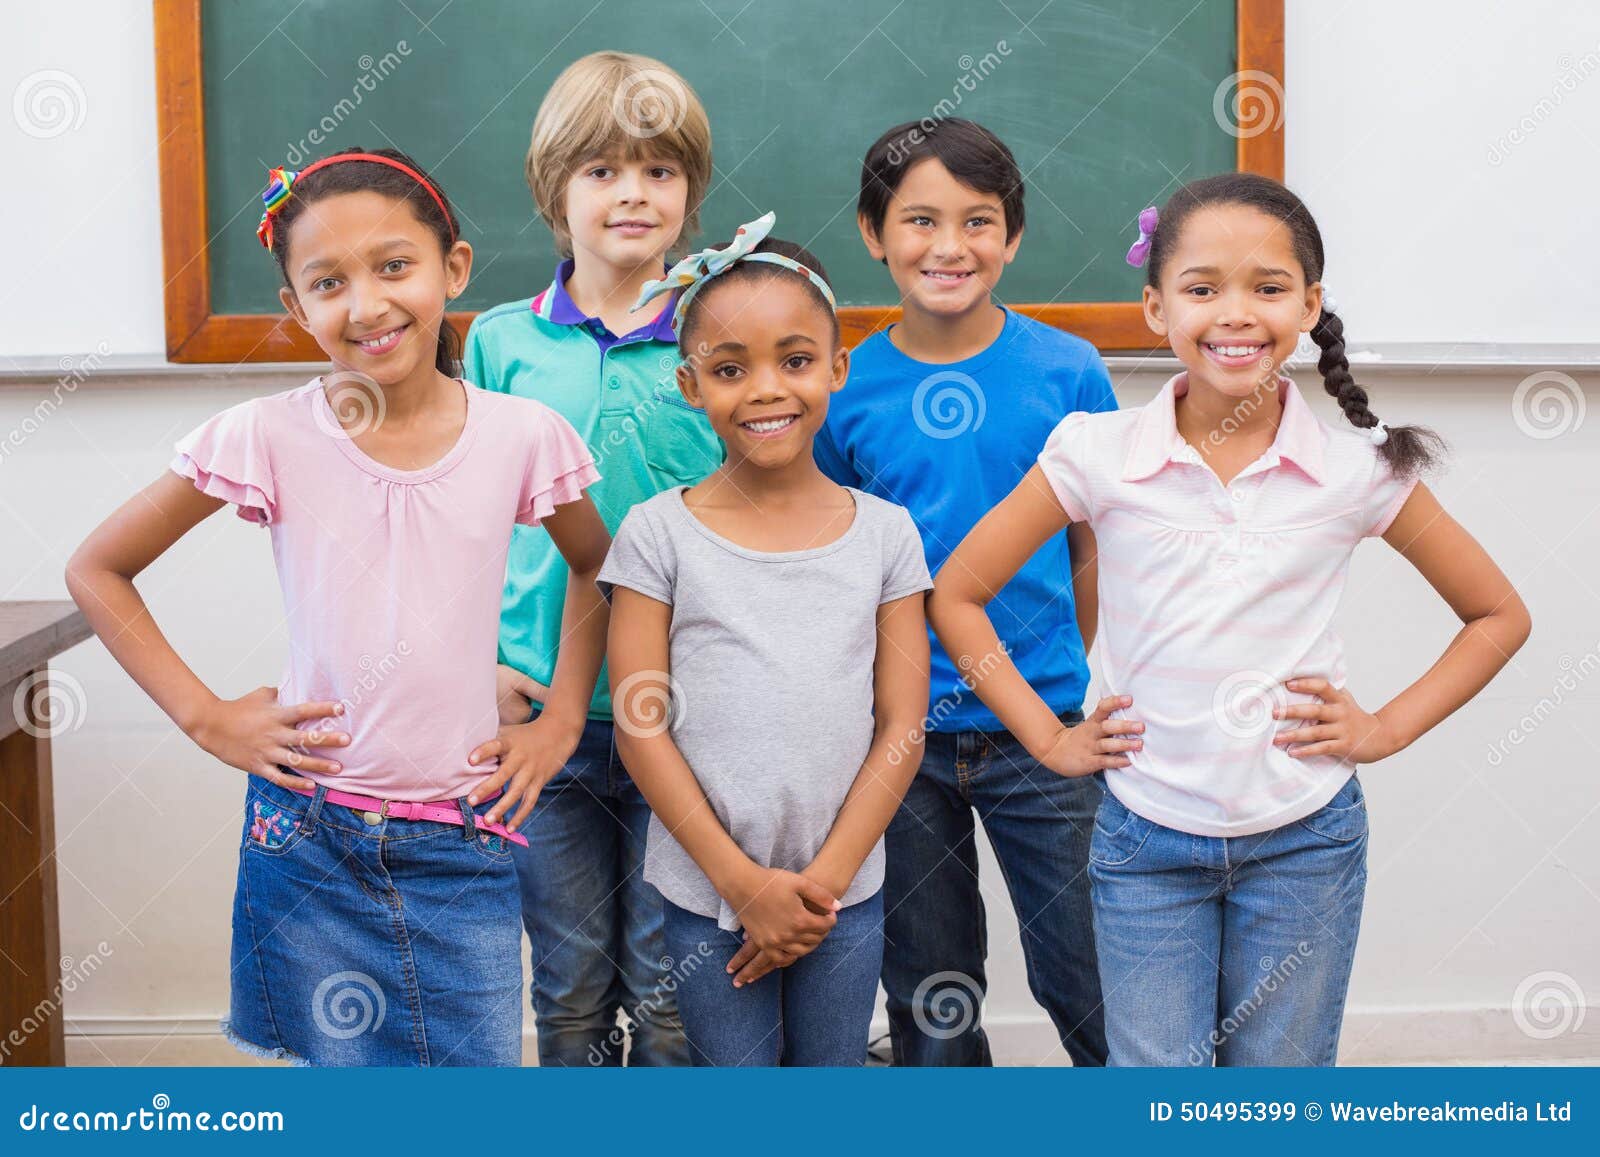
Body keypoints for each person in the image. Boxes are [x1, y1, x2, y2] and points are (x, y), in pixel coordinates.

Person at [929, 172, 1531, 1066]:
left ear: (1310, 304)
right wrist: (1050, 742)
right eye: (1202, 288)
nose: (1235, 314)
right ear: (1155, 307)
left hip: (1305, 840)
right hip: (1142, 839)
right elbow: (958, 593)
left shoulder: (1357, 469)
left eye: (1269, 287)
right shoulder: (1097, 452)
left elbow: (1497, 614)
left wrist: (1383, 727)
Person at [65, 148, 611, 1066]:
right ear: (295, 307)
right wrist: (205, 717)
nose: (366, 305)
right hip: (308, 835)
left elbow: (600, 569)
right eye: (328, 282)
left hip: (464, 832)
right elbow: (98, 568)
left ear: (455, 269)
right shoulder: (264, 434)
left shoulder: (523, 435)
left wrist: (561, 718)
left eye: (395, 266)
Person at [601, 215, 932, 1065]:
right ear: (689, 383)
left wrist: (816, 890)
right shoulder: (655, 534)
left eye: (794, 360)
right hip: (707, 887)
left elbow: (901, 724)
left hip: (844, 889)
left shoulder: (888, 535)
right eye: (728, 368)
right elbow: (642, 724)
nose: (765, 389)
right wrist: (745, 886)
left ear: (837, 368)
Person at [463, 51, 723, 1067]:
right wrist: (479, 663)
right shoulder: (498, 343)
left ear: (691, 193)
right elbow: (470, 528)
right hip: (539, 716)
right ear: (552, 190)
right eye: (602, 171)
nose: (633, 193)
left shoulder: (719, 336)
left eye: (659, 171)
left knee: (670, 992)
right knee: (569, 984)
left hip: (689, 704)